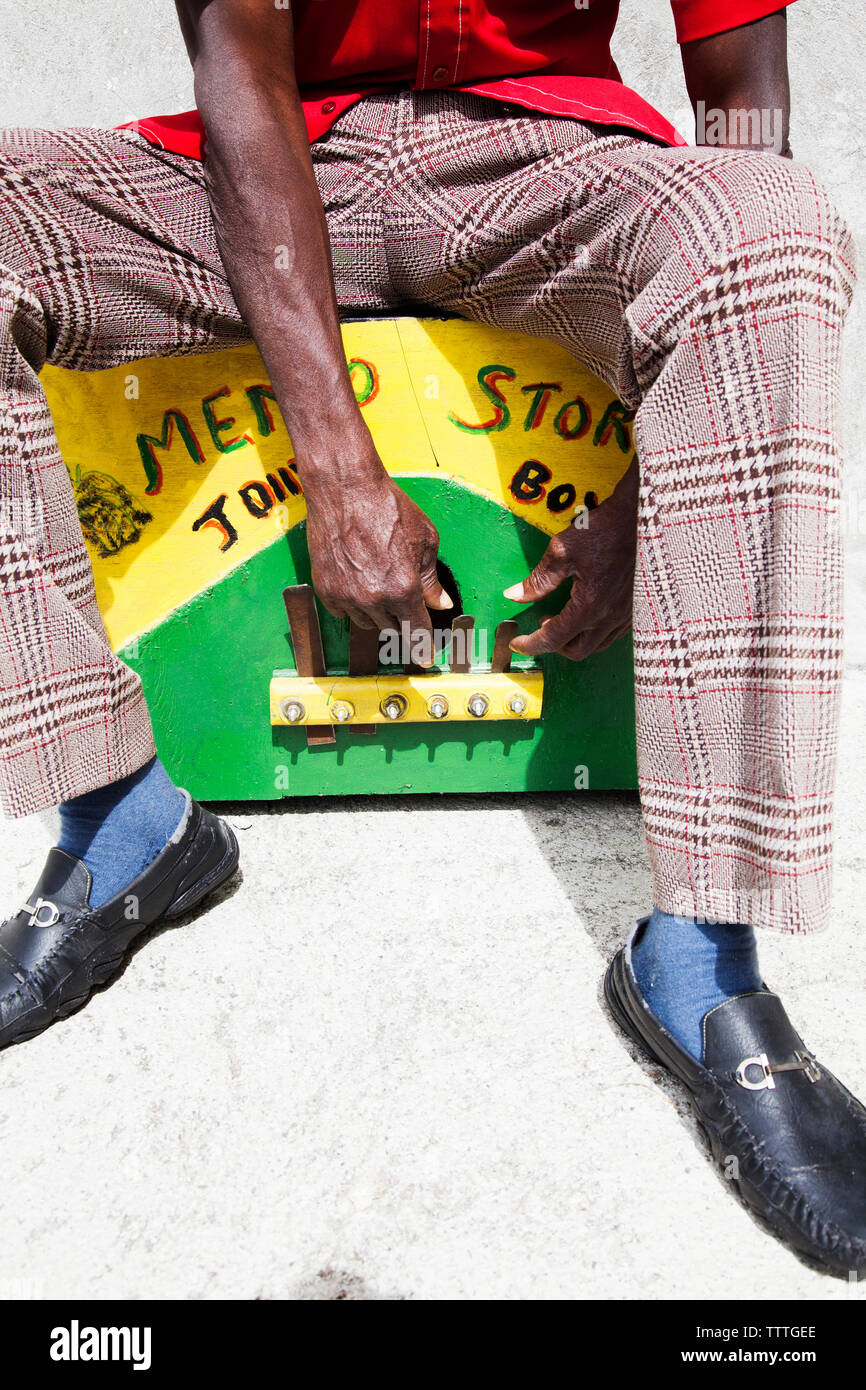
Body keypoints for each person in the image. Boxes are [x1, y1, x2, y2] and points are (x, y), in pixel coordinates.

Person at [0, 0, 863, 1276]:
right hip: (279, 157)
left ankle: (700, 958)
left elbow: (740, 99)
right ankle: (124, 818)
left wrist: (639, 481)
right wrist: (337, 468)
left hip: (549, 165)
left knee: (771, 237)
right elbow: (237, 48)